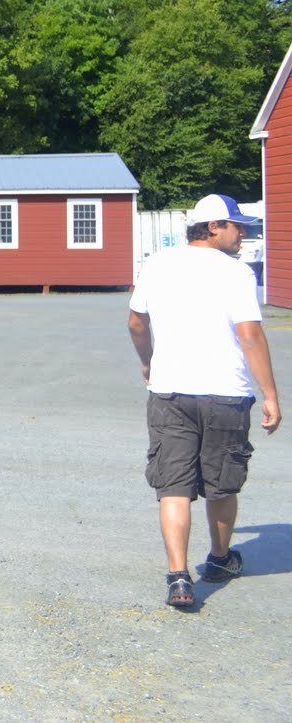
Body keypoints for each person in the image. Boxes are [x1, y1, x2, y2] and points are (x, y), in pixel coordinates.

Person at [127, 193, 280, 609]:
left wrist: (148, 362)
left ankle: (179, 577)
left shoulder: (157, 264)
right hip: (225, 393)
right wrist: (270, 394)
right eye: (236, 227)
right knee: (221, 481)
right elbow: (249, 335)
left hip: (169, 390)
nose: (243, 235)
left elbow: (137, 322)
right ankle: (218, 560)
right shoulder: (236, 274)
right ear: (213, 226)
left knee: (172, 485)